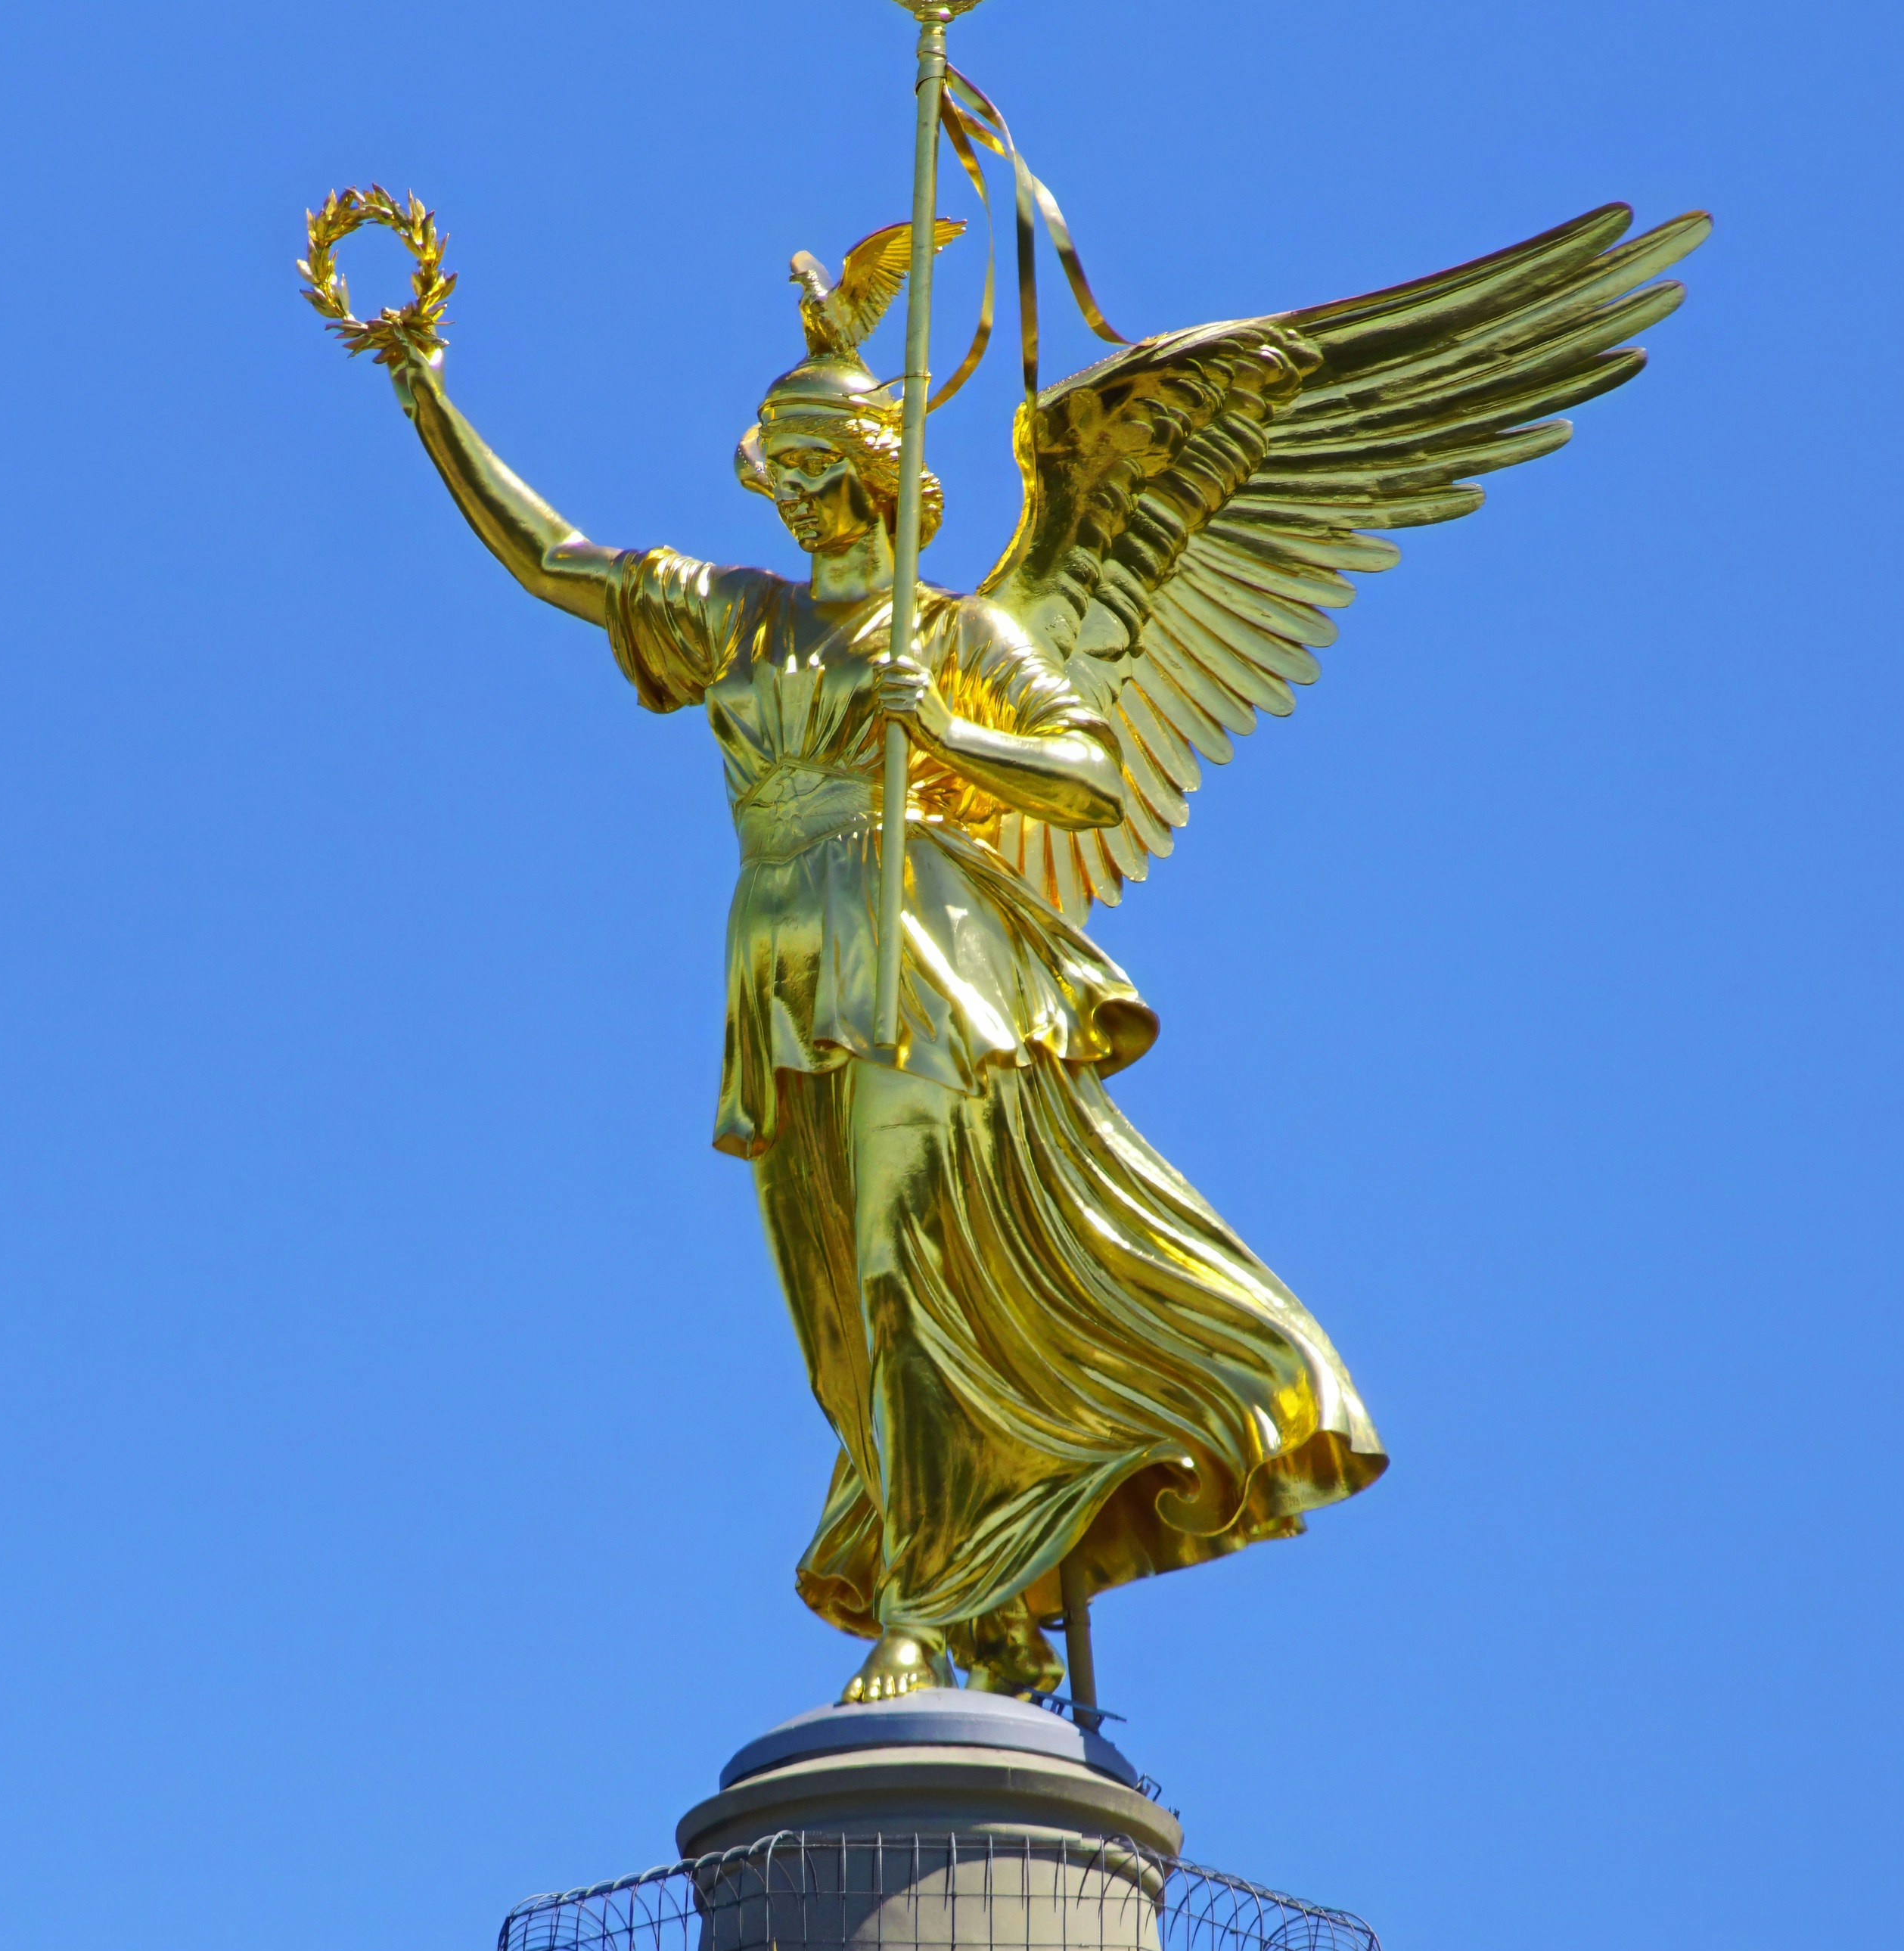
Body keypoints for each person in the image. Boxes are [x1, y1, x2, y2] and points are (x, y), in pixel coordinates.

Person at [390, 318, 1381, 1701]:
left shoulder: (957, 632)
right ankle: (981, 1604)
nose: (790, 493)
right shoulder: (741, 615)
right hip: (782, 971)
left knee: (900, 1275)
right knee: (839, 1331)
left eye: (813, 463)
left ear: (874, 467)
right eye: (774, 470)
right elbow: (551, 558)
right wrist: (422, 382)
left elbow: (1087, 782)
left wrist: (950, 730)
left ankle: (921, 1609)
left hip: (922, 956)